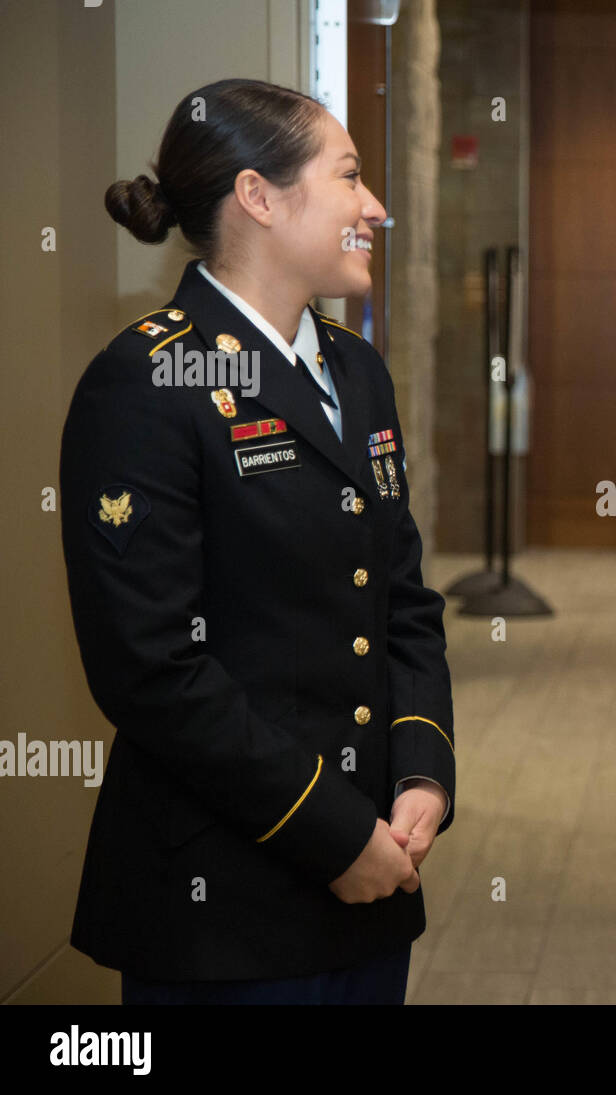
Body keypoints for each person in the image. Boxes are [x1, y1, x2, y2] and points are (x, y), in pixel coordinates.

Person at [60, 78, 455, 1005]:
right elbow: (150, 668)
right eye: (351, 177)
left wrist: (422, 772)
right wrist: (334, 835)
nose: (375, 207)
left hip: (372, 876)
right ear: (260, 197)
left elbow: (402, 596)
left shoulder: (357, 371)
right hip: (226, 904)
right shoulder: (145, 380)